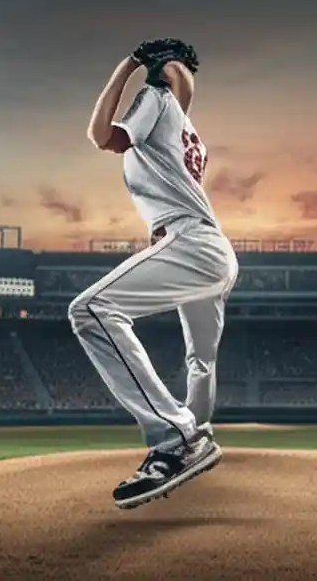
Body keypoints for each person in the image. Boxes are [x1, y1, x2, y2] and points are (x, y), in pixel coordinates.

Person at [68, 38, 239, 510]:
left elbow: (100, 135)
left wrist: (125, 65)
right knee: (201, 360)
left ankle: (174, 437)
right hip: (214, 252)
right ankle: (196, 436)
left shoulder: (155, 100)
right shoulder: (191, 132)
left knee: (90, 310)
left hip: (190, 242)